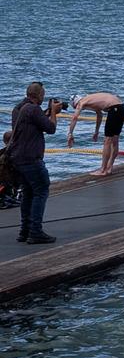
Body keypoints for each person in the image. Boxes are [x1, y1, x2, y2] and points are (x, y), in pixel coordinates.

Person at [9, 82, 62, 243]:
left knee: (27, 193)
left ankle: (24, 230)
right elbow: (51, 128)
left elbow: (32, 124)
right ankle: (35, 231)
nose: (43, 97)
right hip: (31, 158)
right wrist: (53, 112)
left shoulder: (19, 108)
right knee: (41, 190)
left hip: (18, 158)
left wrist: (45, 112)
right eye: (42, 94)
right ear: (38, 95)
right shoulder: (33, 109)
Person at [67, 91, 124, 177]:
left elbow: (75, 117)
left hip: (114, 109)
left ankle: (103, 170)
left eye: (76, 107)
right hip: (122, 108)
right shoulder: (91, 100)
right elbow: (100, 115)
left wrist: (70, 134)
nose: (81, 109)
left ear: (75, 104)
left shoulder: (81, 102)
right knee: (115, 140)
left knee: (107, 141)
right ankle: (109, 168)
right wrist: (96, 131)